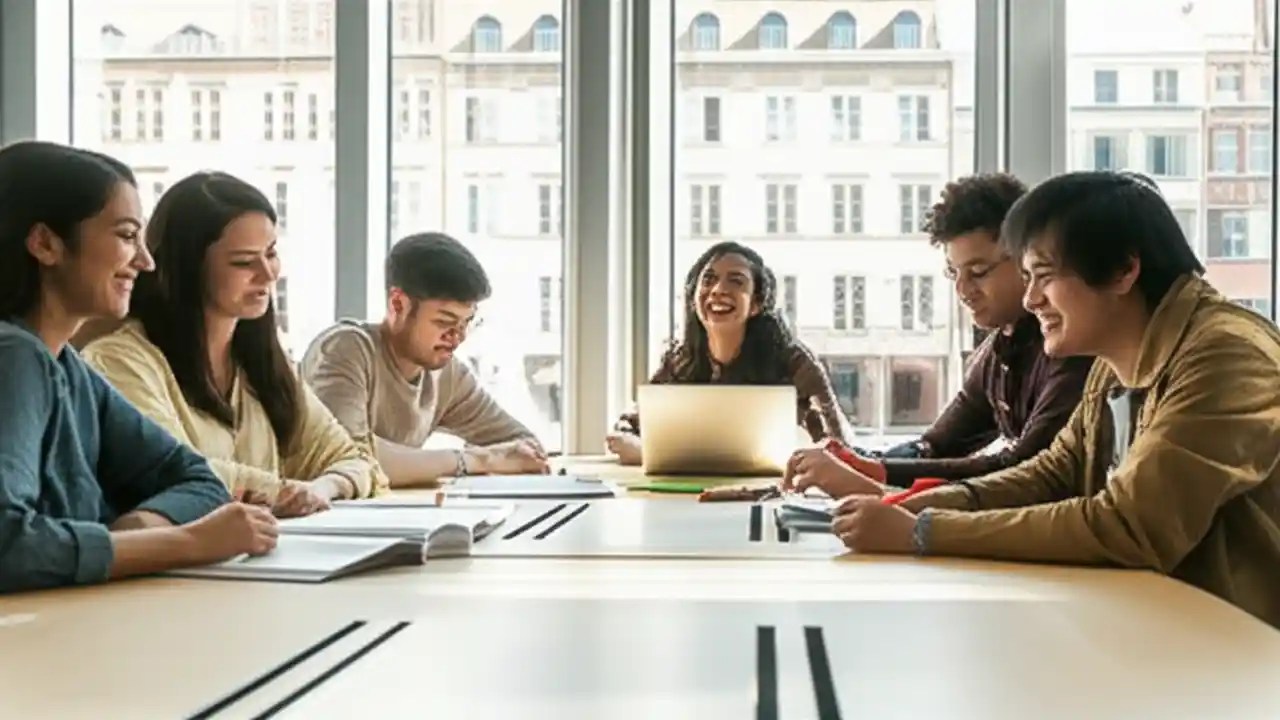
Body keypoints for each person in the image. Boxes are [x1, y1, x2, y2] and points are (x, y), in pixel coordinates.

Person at [830, 171, 1280, 629]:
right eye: (1025, 277)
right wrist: (926, 506)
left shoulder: (1227, 354)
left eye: (1043, 276)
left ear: (1124, 269)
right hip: (1159, 626)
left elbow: (1131, 525)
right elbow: (1052, 473)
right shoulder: (1114, 358)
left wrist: (923, 533)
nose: (1030, 300)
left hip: (1241, 651)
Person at [0, 141, 276, 592]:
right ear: (46, 243)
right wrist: (185, 542)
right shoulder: (13, 358)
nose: (146, 261)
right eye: (127, 236)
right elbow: (7, 545)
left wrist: (136, 533)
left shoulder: (67, 368)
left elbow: (198, 480)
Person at [82, 172, 388, 516]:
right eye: (243, 262)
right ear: (187, 268)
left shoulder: (263, 364)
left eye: (270, 253)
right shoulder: (118, 362)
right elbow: (174, 473)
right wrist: (284, 491)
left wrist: (322, 488)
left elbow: (355, 460)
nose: (268, 273)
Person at [785, 173, 1093, 495]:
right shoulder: (999, 348)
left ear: (1026, 260)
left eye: (978, 272)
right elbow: (936, 446)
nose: (962, 290)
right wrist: (858, 461)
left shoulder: (1071, 346)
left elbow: (1025, 468)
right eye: (953, 273)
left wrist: (879, 472)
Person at [301, 233, 547, 487]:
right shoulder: (345, 350)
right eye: (445, 322)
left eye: (466, 323)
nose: (457, 337)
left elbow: (524, 447)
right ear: (398, 304)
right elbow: (346, 455)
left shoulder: (448, 374)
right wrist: (477, 460)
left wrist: (504, 458)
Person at [607, 241, 848, 465]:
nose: (718, 290)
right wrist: (640, 449)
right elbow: (628, 427)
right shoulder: (680, 361)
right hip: (688, 495)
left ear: (756, 303)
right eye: (709, 280)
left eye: (736, 281)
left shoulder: (793, 361)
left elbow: (838, 447)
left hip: (769, 492)